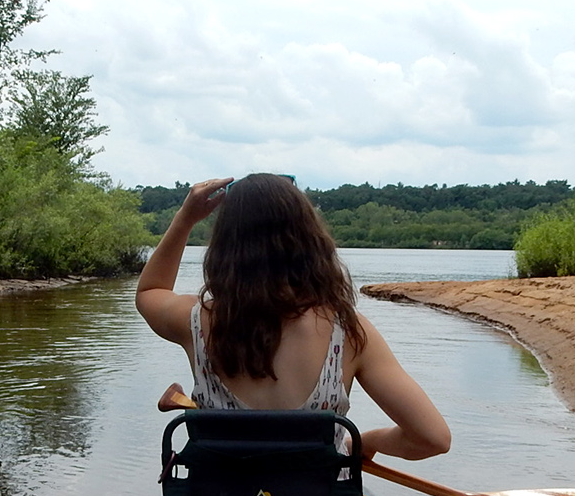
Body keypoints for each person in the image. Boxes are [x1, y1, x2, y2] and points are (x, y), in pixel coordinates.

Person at [136, 174, 450, 462]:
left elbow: (150, 291)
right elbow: (432, 438)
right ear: (310, 241)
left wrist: (185, 218)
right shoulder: (351, 334)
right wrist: (367, 441)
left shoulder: (195, 321)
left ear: (224, 246)